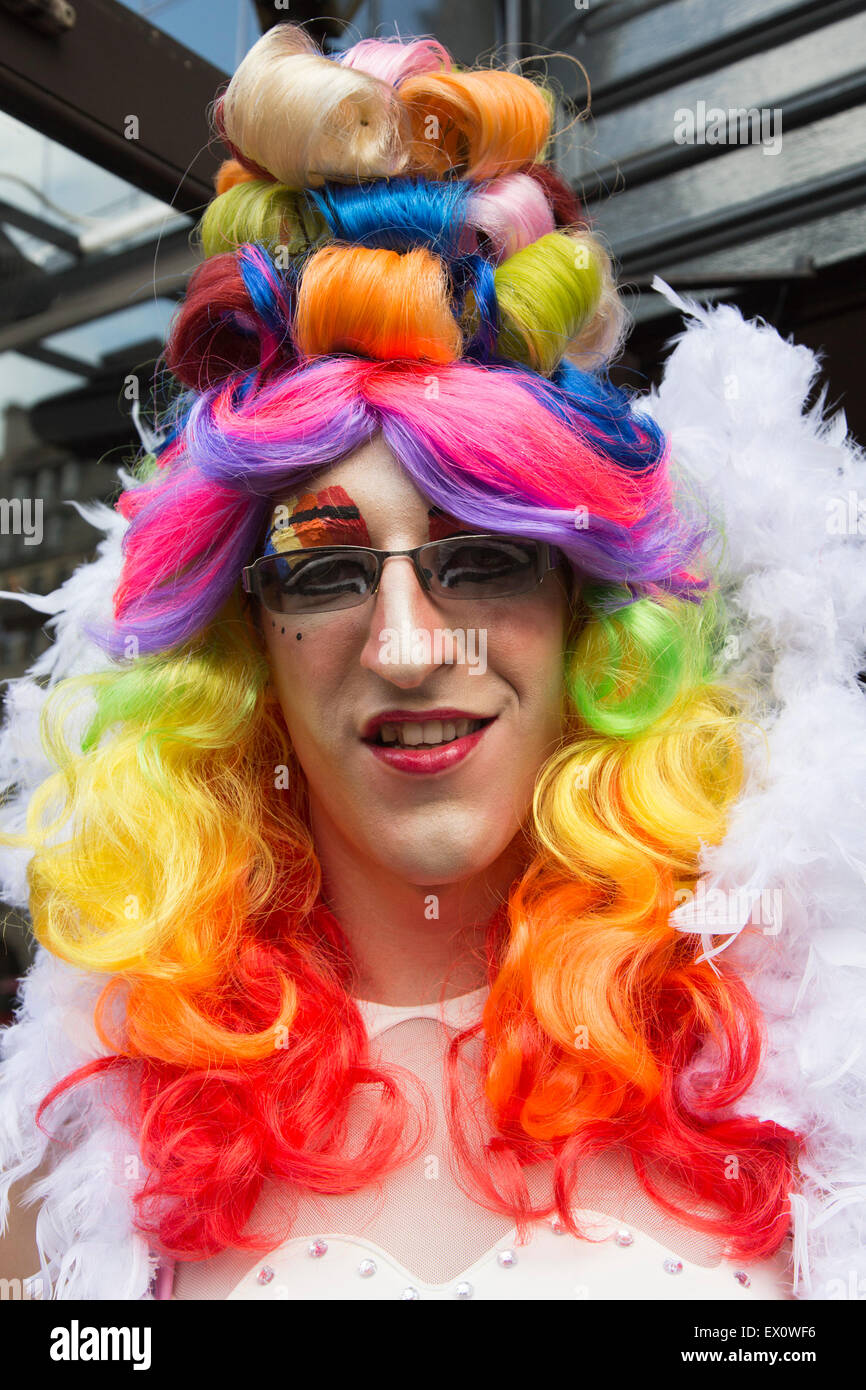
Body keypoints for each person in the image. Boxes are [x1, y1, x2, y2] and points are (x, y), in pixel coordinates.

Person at [2, 21, 861, 1303]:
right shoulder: (86, 1142)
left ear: (590, 616)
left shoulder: (801, 1056)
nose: (407, 647)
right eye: (324, 567)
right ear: (240, 645)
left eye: (482, 558)